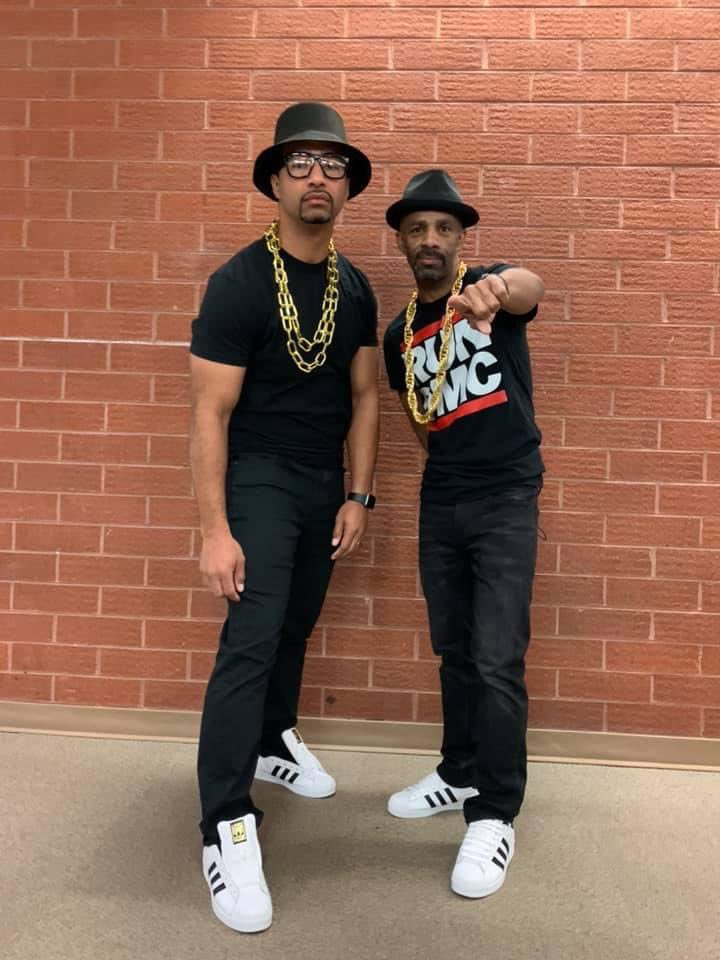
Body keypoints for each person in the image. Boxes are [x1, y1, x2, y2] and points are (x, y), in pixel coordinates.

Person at [189, 102, 379, 932]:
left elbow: (366, 395)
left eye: (332, 164)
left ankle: (273, 741)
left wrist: (358, 493)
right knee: (252, 639)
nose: (317, 177)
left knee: (297, 624)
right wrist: (215, 528)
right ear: (275, 181)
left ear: (348, 187)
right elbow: (209, 413)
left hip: (322, 483)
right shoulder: (237, 283)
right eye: (299, 163)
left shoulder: (356, 286)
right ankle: (225, 822)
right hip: (259, 479)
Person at [382, 170, 545, 900]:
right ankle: (458, 771)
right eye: (417, 229)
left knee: (496, 656)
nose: (430, 239)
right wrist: (452, 461)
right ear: (402, 242)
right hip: (442, 497)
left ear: (460, 240)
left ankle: (495, 811)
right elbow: (420, 418)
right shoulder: (398, 333)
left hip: (507, 496)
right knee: (453, 649)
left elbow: (530, 287)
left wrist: (499, 290)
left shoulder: (486, 290)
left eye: (443, 228)